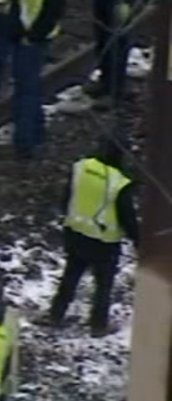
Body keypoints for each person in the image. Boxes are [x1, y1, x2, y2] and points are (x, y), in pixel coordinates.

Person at [48, 137, 139, 336]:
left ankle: (55, 314)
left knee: (70, 276)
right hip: (103, 241)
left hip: (76, 232)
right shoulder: (119, 182)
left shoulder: (81, 167)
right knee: (103, 285)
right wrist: (139, 241)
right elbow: (127, 217)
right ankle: (98, 324)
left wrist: (69, 216)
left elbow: (67, 196)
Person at [4, 0, 68, 161]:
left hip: (32, 40)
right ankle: (36, 135)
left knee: (26, 92)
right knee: (28, 89)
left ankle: (25, 144)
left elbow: (52, 14)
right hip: (21, 34)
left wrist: (32, 37)